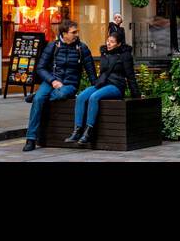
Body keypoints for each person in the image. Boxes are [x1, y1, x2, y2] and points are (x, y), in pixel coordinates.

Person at [22, 20, 95, 152]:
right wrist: (52, 81)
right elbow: (40, 68)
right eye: (73, 32)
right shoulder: (53, 46)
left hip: (70, 84)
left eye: (77, 32)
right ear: (64, 33)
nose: (76, 35)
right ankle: (31, 139)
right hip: (52, 81)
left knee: (56, 95)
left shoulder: (82, 48)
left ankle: (37, 96)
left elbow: (90, 70)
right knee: (39, 100)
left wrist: (97, 86)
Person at [65, 32, 140, 144]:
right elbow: (102, 72)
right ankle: (77, 131)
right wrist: (97, 83)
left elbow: (130, 76)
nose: (108, 44)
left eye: (112, 42)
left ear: (119, 44)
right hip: (102, 83)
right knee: (81, 96)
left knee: (94, 97)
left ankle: (88, 132)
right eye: (108, 41)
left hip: (116, 86)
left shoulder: (125, 56)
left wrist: (136, 95)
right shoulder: (104, 53)